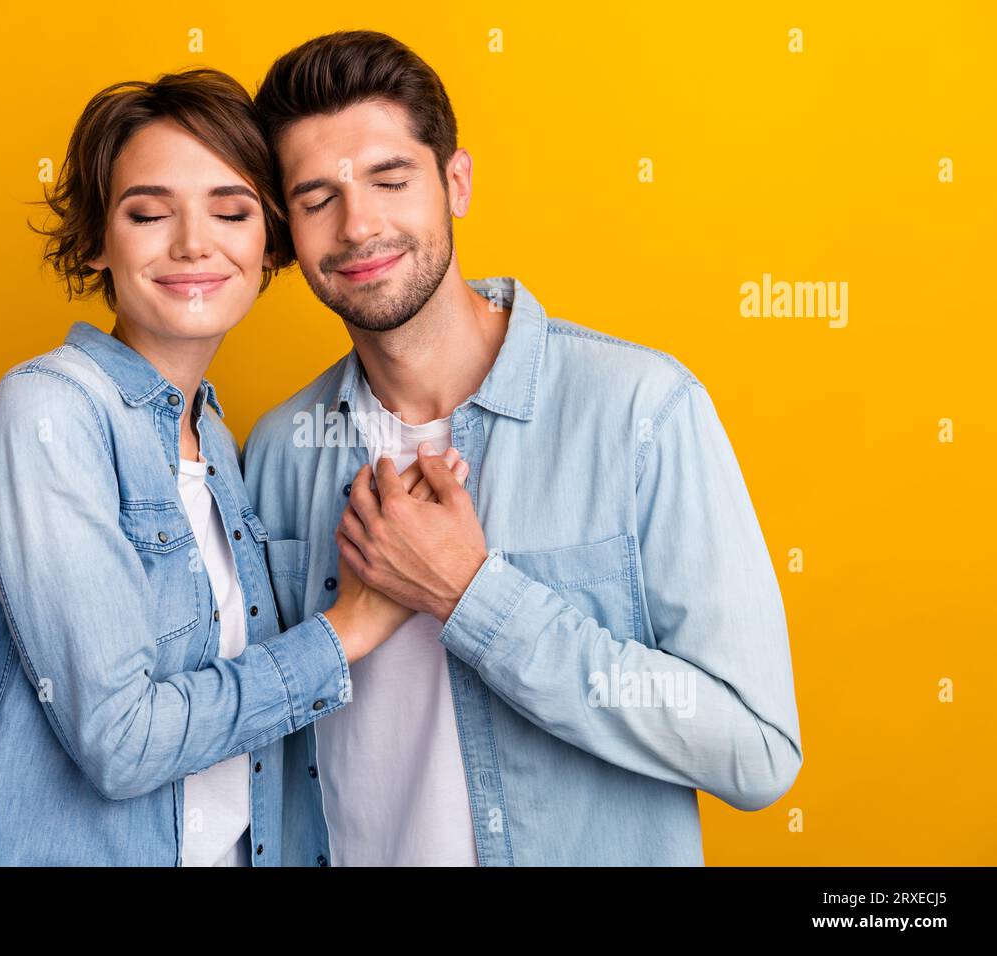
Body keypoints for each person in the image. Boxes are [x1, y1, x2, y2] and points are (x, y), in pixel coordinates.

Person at [243, 30, 804, 866]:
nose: (359, 225)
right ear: (288, 225)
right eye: (318, 197)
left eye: (391, 179)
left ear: (455, 183)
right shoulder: (280, 450)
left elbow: (757, 750)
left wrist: (474, 596)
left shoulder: (641, 410)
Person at [0, 68, 467, 866]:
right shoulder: (47, 415)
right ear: (100, 242)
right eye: (147, 213)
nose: (192, 244)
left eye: (231, 210)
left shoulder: (215, 439)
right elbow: (121, 742)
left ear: (268, 243)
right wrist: (347, 627)